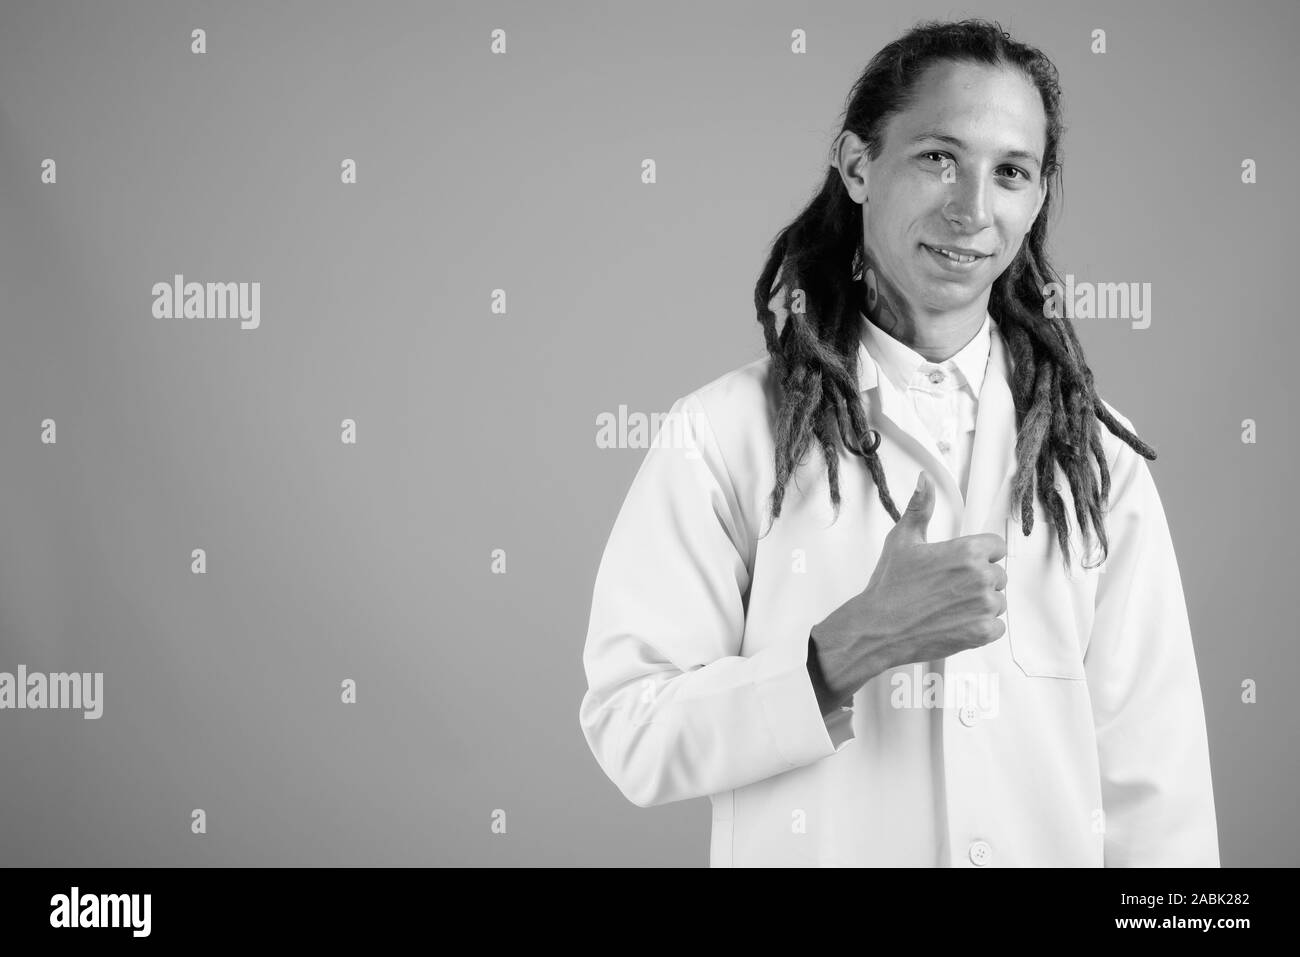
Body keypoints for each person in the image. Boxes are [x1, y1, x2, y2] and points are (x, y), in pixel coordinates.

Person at [577, 18, 1219, 867]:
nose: (971, 209)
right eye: (938, 158)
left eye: (1012, 173)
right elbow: (631, 726)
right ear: (856, 165)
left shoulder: (1100, 457)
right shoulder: (723, 433)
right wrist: (847, 648)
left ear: (1036, 197)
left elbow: (1158, 783)